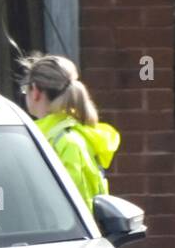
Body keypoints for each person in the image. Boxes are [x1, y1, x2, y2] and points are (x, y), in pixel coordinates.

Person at [20, 54, 119, 210]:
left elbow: (66, 210)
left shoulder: (43, 140)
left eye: (25, 89)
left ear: (36, 91)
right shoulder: (78, 136)